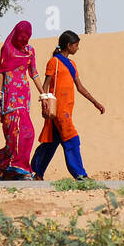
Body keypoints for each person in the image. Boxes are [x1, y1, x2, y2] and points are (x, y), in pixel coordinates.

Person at [31, 31, 105, 180]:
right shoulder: (54, 62)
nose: (77, 48)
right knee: (72, 139)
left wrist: (95, 102)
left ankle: (36, 173)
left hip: (67, 109)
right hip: (58, 110)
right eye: (76, 45)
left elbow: (80, 87)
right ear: (68, 45)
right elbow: (45, 85)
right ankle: (80, 175)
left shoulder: (72, 64)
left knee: (51, 142)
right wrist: (44, 104)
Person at [0, 20, 43, 180]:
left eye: (27, 36)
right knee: (14, 134)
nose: (23, 39)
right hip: (9, 96)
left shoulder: (30, 51)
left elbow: (34, 73)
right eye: (21, 36)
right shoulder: (7, 49)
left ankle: (6, 170)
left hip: (24, 96)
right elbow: (2, 72)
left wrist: (44, 94)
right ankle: (19, 170)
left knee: (28, 133)